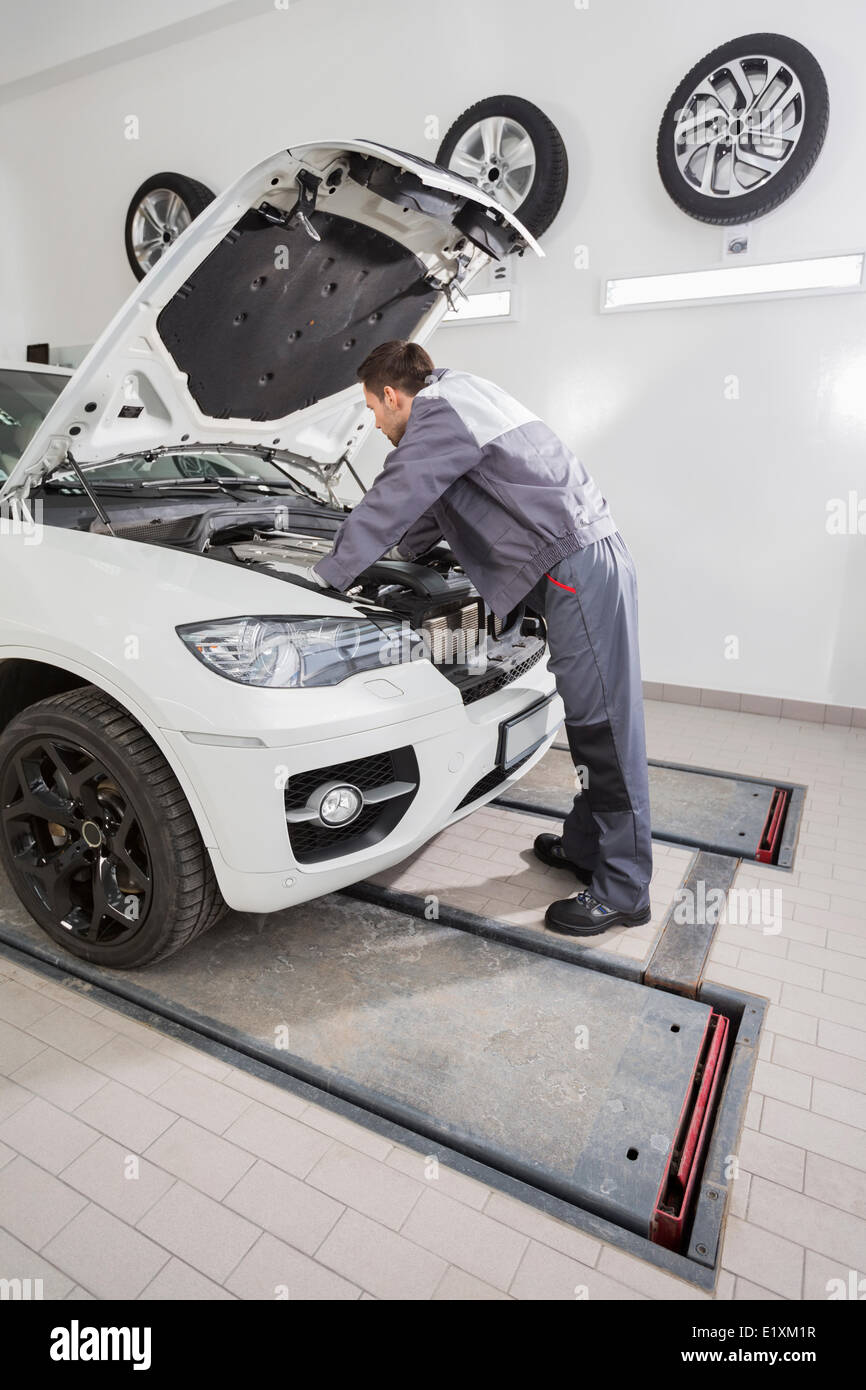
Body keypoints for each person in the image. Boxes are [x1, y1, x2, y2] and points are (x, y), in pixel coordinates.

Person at [310, 339, 652, 936]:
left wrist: (327, 578)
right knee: (593, 721)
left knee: (604, 728)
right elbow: (426, 509)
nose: (374, 423)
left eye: (372, 410)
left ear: (392, 396)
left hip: (576, 571)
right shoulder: (461, 398)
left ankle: (624, 890)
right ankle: (586, 846)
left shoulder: (440, 410)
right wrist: (395, 556)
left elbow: (397, 491)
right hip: (578, 565)